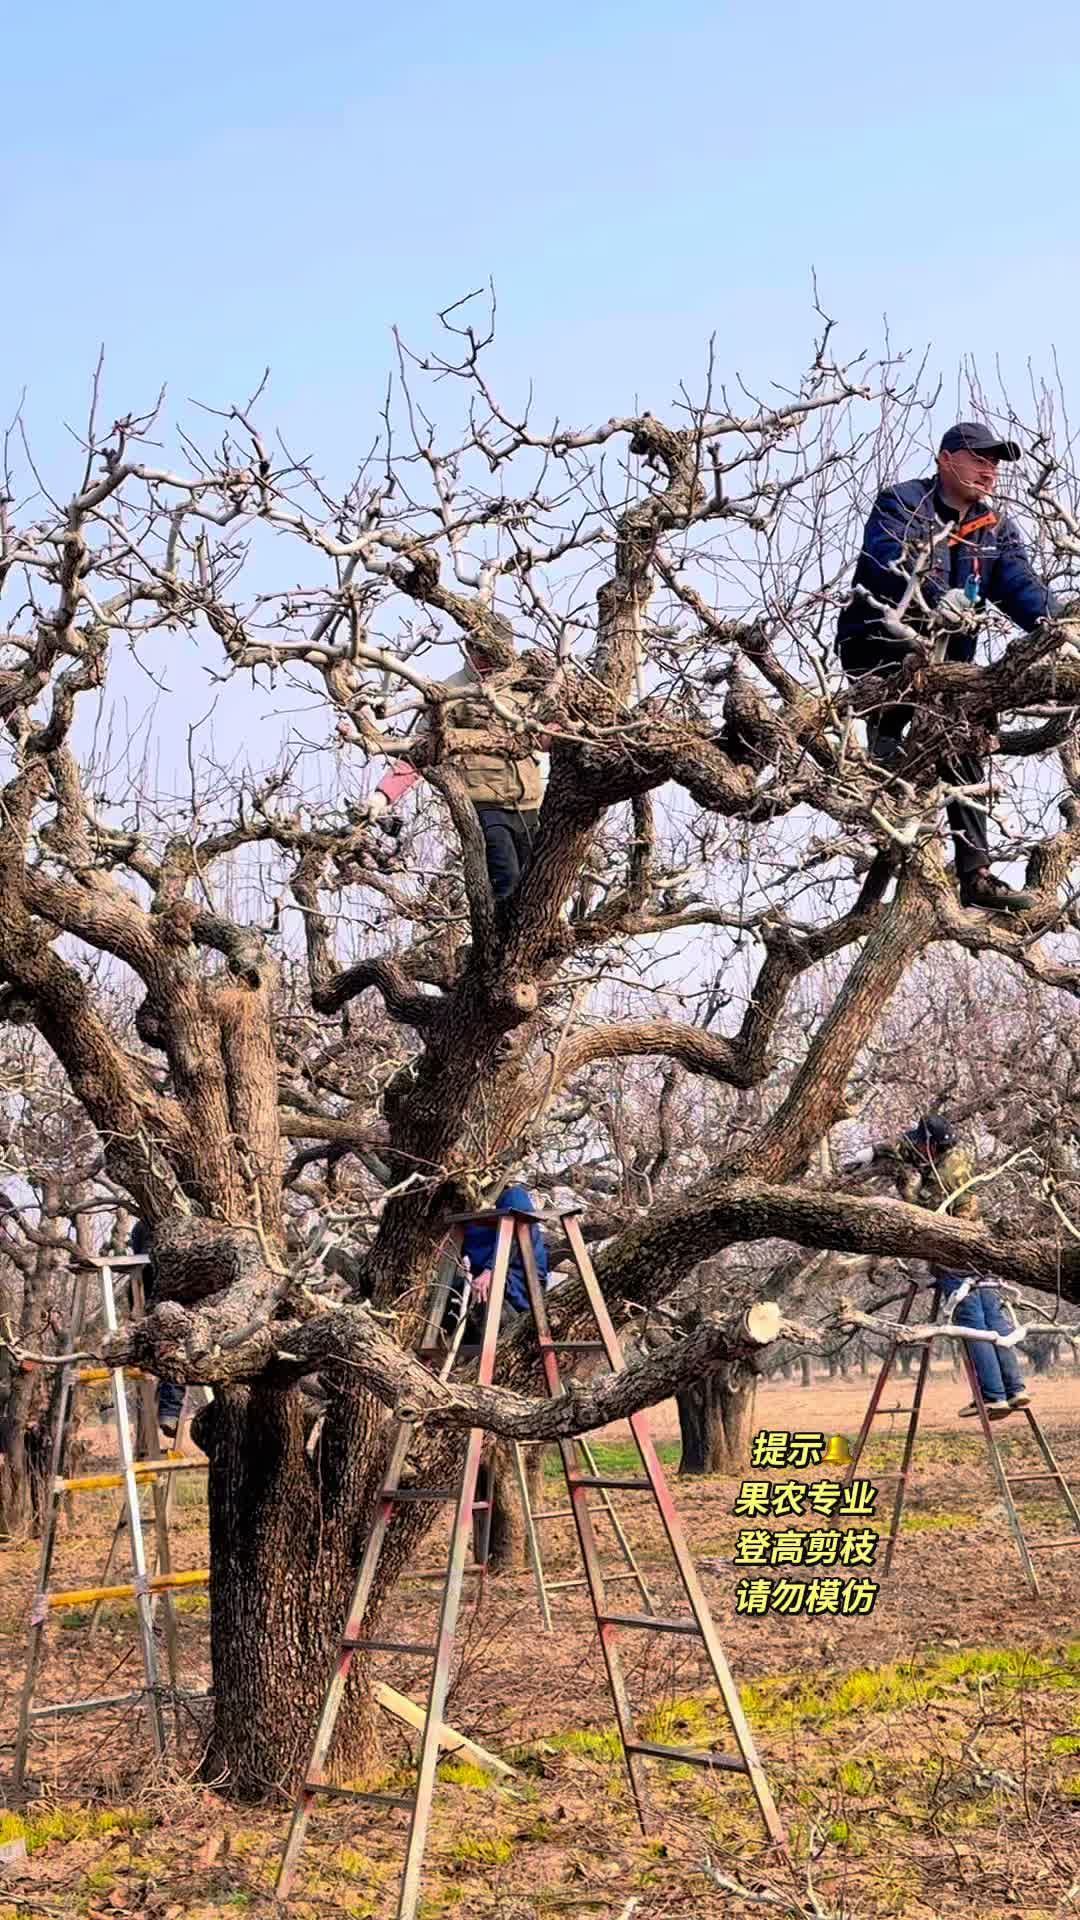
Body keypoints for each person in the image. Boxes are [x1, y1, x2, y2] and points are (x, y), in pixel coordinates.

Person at [837, 421, 1057, 915]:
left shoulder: (994, 527)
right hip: (882, 649)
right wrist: (938, 601)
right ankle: (887, 794)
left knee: (963, 730)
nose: (989, 470)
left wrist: (1061, 624)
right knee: (896, 755)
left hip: (949, 667)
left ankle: (974, 874)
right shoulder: (902, 503)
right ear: (945, 458)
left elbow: (1022, 587)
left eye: (995, 463)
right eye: (979, 458)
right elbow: (886, 564)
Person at [849, 1115, 1030, 1420]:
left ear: (933, 1146)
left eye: (924, 1145)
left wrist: (907, 1188)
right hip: (983, 1249)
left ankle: (993, 1397)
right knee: (995, 1322)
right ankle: (1015, 1389)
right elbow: (908, 1142)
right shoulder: (954, 1150)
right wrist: (871, 1153)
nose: (920, 1148)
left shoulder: (945, 1176)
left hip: (956, 1254)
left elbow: (923, 1216)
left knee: (975, 1327)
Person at [364, 644, 546, 901]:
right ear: (472, 650)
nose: (494, 659)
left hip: (529, 803)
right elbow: (421, 751)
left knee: (538, 890)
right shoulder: (450, 692)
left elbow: (545, 738)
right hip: (486, 804)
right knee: (507, 884)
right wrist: (382, 796)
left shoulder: (523, 685)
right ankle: (505, 938)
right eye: (486, 652)